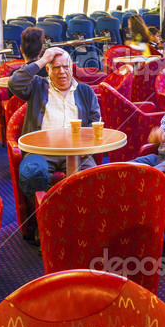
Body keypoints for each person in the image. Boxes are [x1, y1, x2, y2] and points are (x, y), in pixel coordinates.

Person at [9, 46, 102, 222]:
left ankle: (81, 224)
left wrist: (86, 147)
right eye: (56, 67)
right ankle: (44, 224)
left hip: (76, 152)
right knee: (32, 174)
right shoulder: (37, 86)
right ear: (48, 69)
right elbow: (15, 83)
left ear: (72, 67)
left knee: (92, 179)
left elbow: (94, 123)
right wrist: (44, 58)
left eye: (66, 66)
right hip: (41, 150)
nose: (62, 72)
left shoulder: (85, 92)